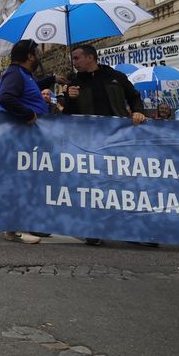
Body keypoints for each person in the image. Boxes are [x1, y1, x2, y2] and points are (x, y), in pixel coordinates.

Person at [63, 44, 147, 247]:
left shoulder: (115, 76)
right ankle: (94, 228)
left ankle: (133, 229)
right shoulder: (74, 83)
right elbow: (67, 116)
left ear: (90, 58)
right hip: (90, 142)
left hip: (118, 140)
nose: (74, 63)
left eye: (76, 58)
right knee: (93, 185)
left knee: (124, 183)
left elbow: (134, 96)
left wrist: (137, 110)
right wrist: (70, 99)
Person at [0, 40, 63, 244]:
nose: (39, 55)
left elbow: (31, 89)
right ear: (30, 56)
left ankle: (19, 226)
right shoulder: (15, 73)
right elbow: (5, 97)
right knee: (21, 182)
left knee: (28, 182)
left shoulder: (24, 75)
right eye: (36, 51)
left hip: (29, 139)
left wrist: (51, 79)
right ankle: (14, 228)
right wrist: (28, 114)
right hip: (20, 138)